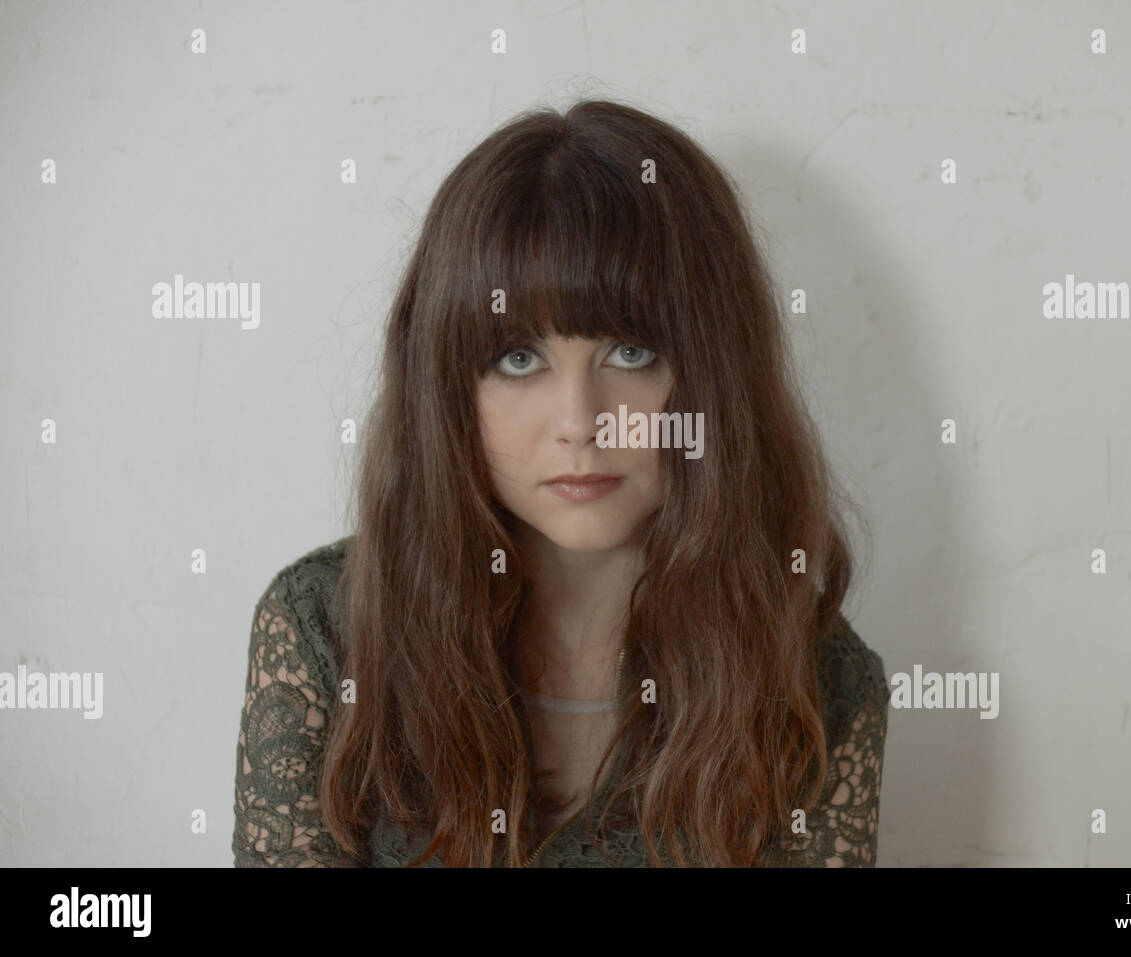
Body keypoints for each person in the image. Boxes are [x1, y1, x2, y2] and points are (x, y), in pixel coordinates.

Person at [231, 97, 888, 867]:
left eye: (632, 353)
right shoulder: (324, 633)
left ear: (716, 376)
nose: (580, 421)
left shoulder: (819, 683)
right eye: (518, 358)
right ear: (447, 388)